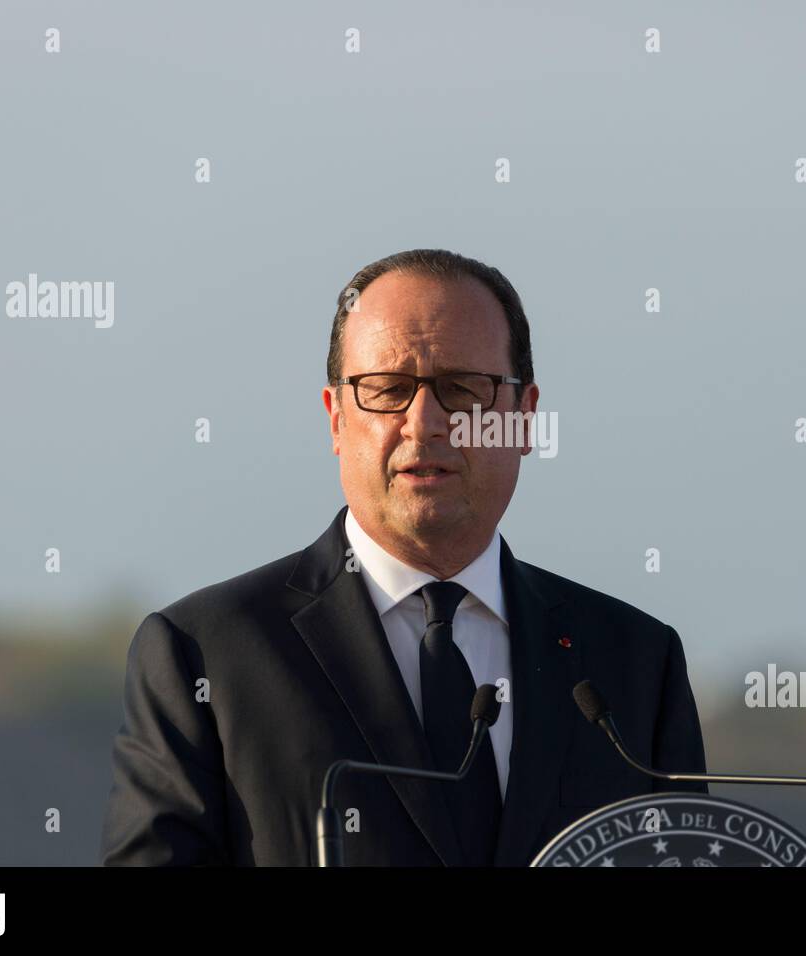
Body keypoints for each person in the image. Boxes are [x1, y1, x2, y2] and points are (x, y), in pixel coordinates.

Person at [100, 248, 708, 866]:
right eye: (386, 390)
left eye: (463, 389)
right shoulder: (206, 654)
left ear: (524, 419)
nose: (424, 424)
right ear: (336, 419)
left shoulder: (635, 663)